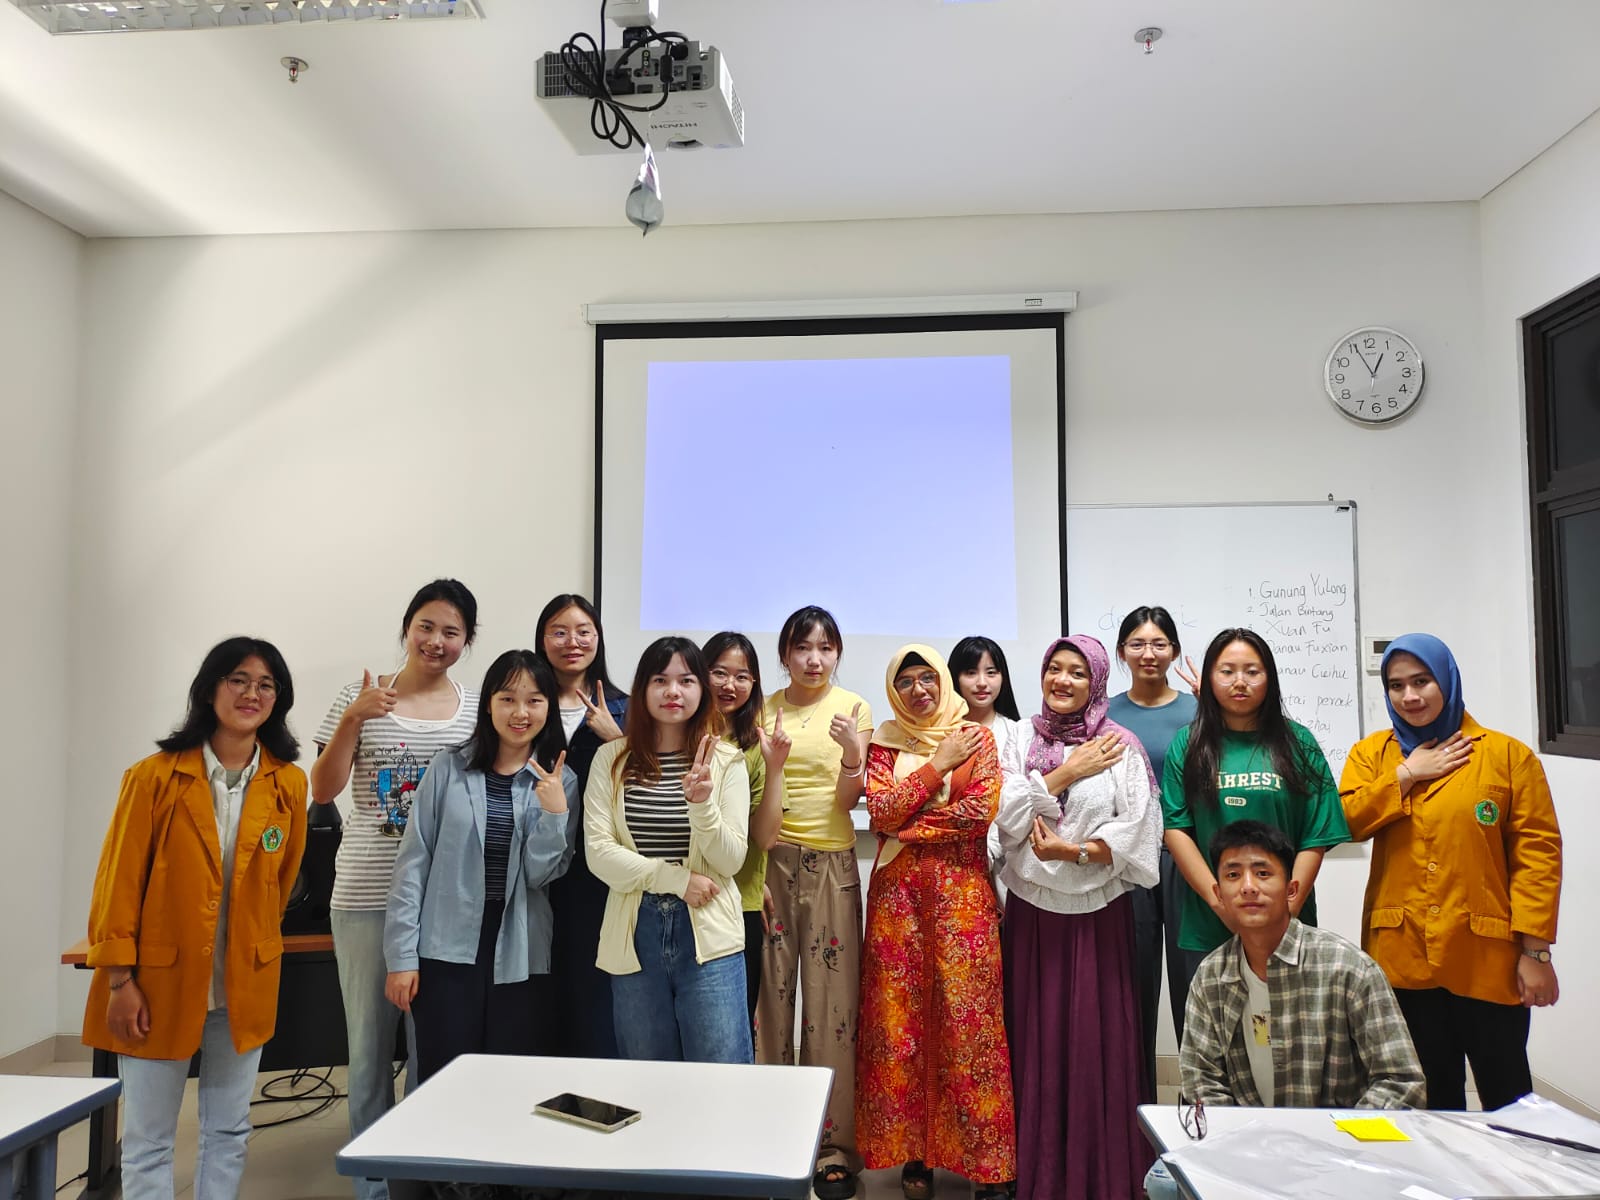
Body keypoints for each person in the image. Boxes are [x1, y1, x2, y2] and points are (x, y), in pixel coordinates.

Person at [84, 638, 308, 1200]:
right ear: (210, 689)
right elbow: (118, 882)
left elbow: (281, 886)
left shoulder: (288, 784)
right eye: (238, 680)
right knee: (150, 1139)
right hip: (157, 983)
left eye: (266, 685)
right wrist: (119, 980)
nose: (251, 694)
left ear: (278, 699)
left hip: (243, 982)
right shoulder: (153, 778)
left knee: (229, 1128)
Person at [1340, 634, 1562, 1112]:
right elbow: (1345, 822)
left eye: (1421, 681)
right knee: (1425, 1100)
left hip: (1487, 955)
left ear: (1447, 680)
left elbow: (1537, 855)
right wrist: (1408, 774)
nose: (1410, 696)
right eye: (1396, 685)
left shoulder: (1506, 756)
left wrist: (1536, 953)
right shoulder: (1372, 755)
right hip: (1402, 957)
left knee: (1509, 1098)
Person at [311, 579, 479, 1199]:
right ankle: (374, 1186)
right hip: (363, 896)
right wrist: (356, 716)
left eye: (452, 632)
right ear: (407, 628)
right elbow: (323, 790)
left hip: (444, 906)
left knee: (432, 1047)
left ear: (466, 641)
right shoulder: (360, 697)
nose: (437, 641)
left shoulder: (473, 707)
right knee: (369, 1051)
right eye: (426, 627)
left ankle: (424, 1178)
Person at [995, 635, 1161, 1200]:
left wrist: (1073, 851)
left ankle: (1101, 1174)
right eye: (1053, 670)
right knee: (1035, 1041)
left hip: (1098, 916)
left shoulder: (1120, 745)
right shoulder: (1018, 739)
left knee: (1096, 1043)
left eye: (1077, 673)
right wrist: (1065, 773)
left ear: (1096, 682)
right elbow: (1003, 821)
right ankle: (1037, 1171)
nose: (1062, 681)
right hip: (1033, 918)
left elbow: (1140, 828)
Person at [857, 646, 1015, 1200]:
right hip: (897, 903)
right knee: (900, 1027)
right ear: (893, 691)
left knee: (969, 1027)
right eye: (906, 682)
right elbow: (878, 811)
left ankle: (987, 1165)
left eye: (929, 678)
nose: (920, 689)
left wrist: (908, 826)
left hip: (963, 899)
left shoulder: (978, 737)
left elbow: (979, 812)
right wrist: (937, 765)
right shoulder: (883, 744)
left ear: (943, 682)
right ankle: (915, 1156)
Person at [383, 651, 580, 1080]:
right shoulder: (448, 766)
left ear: (549, 706)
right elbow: (413, 864)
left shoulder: (560, 780)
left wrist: (553, 814)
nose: (520, 712)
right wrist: (401, 957)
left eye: (534, 700)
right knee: (444, 1076)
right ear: (488, 703)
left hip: (521, 946)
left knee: (510, 1079)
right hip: (445, 945)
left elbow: (541, 876)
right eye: (508, 698)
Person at [584, 637, 753, 1062]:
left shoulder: (727, 762)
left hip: (709, 930)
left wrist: (702, 807)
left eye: (686, 680)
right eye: (660, 680)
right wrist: (675, 880)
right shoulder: (610, 760)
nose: (673, 691)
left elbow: (731, 860)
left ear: (702, 691)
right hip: (633, 930)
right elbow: (598, 852)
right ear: (642, 689)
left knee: (721, 1074)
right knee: (647, 1075)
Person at [1178, 820, 1425, 1109]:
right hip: (1246, 1146)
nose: (1248, 887)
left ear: (1291, 889)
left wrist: (1339, 1141)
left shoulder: (1349, 969)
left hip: (1338, 1146)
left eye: (1262, 873)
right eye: (1233, 874)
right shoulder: (1210, 978)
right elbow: (1201, 1081)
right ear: (1219, 893)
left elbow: (1401, 1083)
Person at [755, 605, 873, 1200]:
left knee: (833, 1009)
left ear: (837, 653)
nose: (814, 658)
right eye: (803, 646)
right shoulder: (763, 708)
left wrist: (854, 753)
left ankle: (832, 1148)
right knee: (770, 999)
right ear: (785, 653)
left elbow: (853, 799)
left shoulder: (854, 707)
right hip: (771, 863)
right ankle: (771, 1131)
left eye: (825, 647)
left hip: (832, 864)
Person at [1161, 628, 1349, 989]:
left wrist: (1287, 908)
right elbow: (1177, 829)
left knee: (1289, 1033)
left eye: (1252, 671)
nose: (1239, 682)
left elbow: (1316, 834)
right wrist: (1221, 905)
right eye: (1227, 671)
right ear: (1210, 678)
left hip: (1286, 920)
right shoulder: (1188, 744)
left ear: (1269, 678)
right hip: (1210, 920)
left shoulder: (1299, 742)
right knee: (1216, 1032)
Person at [1104, 606, 1199, 1090]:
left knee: (1192, 983)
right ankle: (1135, 1108)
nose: (1149, 653)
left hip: (1187, 859)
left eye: (1159, 643)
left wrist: (1220, 708)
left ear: (1175, 651)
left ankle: (1200, 1098)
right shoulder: (1104, 714)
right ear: (1122, 652)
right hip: (1127, 861)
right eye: (1137, 644)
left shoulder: (1198, 709)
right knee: (1135, 986)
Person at [536, 592, 628, 1059]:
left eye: (583, 631)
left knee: (596, 999)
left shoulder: (627, 708)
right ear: (542, 639)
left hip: (600, 878)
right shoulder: (525, 705)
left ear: (599, 639)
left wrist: (620, 739)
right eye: (558, 631)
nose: (572, 641)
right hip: (533, 870)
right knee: (538, 997)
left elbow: (651, 787)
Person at [703, 631, 789, 1028]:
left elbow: (765, 838)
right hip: (679, 896)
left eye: (742, 676)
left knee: (731, 1032)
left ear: (754, 684)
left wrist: (774, 769)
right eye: (719, 673)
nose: (729, 685)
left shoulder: (757, 744)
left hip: (740, 905)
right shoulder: (679, 736)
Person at [949, 635, 1026, 900]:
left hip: (1007, 861)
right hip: (951, 862)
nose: (982, 682)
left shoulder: (1018, 734)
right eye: (971, 672)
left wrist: (992, 849)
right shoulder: (941, 735)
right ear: (955, 678)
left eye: (991, 672)